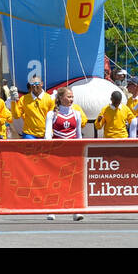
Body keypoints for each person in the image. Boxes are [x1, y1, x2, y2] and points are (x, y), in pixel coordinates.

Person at [44, 86, 86, 221]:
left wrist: (81, 152)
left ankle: (75, 210)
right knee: (55, 181)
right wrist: (50, 149)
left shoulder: (77, 114)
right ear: (60, 98)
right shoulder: (52, 114)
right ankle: (52, 209)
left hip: (73, 152)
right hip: (57, 152)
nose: (71, 99)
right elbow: (47, 135)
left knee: (73, 182)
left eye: (72, 97)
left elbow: (79, 135)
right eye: (68, 97)